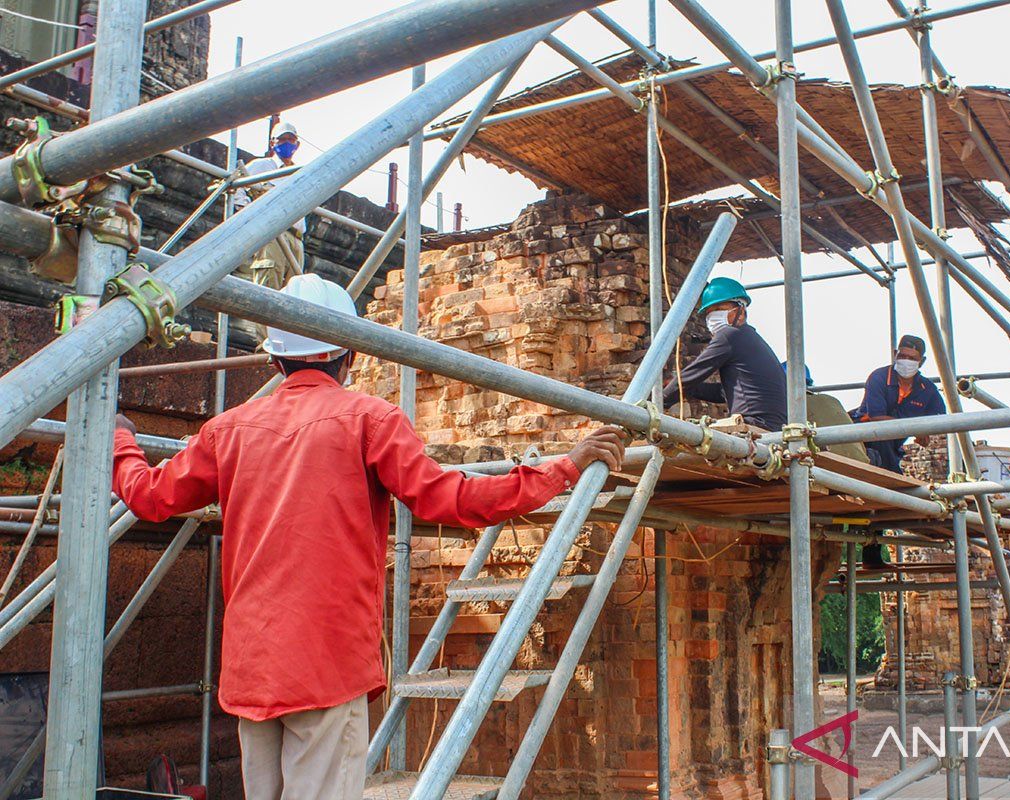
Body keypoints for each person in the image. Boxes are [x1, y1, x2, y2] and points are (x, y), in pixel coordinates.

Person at [109, 275, 627, 800]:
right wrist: (561, 469)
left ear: (274, 362)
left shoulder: (229, 429)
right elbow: (452, 499)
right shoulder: (369, 419)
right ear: (349, 357)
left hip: (252, 672)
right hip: (326, 670)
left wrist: (119, 438)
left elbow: (149, 496)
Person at [850, 333, 946, 566]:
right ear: (896, 355)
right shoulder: (880, 378)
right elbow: (875, 418)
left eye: (911, 358)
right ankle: (896, 490)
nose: (905, 361)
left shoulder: (926, 389)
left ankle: (872, 554)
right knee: (881, 483)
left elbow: (942, 418)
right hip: (867, 440)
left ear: (920, 362)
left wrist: (926, 431)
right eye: (902, 355)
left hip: (892, 447)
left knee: (878, 498)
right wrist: (915, 428)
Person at [662, 277, 787, 432]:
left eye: (719, 308)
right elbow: (726, 391)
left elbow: (692, 375)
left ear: (741, 312)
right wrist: (689, 389)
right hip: (772, 428)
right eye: (709, 313)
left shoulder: (731, 335)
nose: (713, 316)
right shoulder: (748, 338)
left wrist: (656, 402)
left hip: (755, 426)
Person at [232, 119, 306, 339]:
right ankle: (265, 342)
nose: (286, 144)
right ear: (273, 143)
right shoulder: (262, 166)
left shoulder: (298, 172)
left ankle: (289, 344)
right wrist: (253, 218)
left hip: (297, 236)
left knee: (294, 293)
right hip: (274, 232)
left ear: (297, 144)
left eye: (290, 140)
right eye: (282, 140)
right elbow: (238, 189)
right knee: (268, 286)